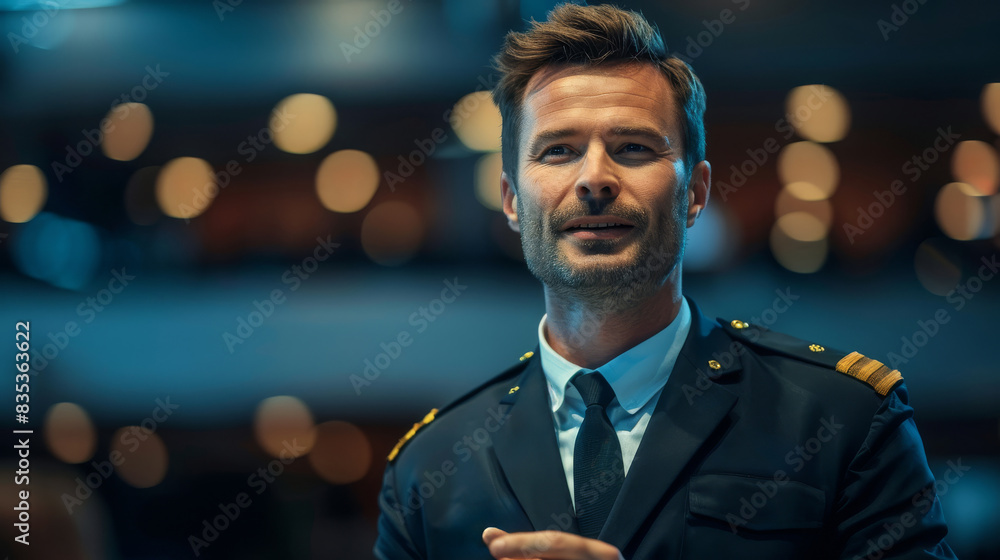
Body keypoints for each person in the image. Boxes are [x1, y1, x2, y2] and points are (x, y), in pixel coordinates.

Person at [375, 4, 956, 559]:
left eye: (632, 148)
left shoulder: (843, 418)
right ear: (510, 200)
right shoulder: (430, 466)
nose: (594, 178)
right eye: (558, 151)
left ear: (695, 193)